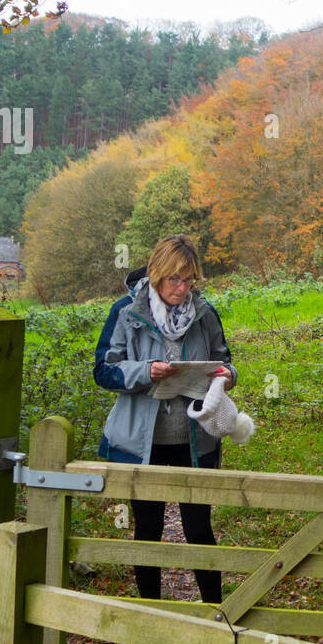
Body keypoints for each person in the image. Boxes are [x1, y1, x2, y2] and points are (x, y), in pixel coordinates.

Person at [93, 234, 237, 604]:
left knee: (199, 529)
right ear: (157, 274)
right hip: (144, 444)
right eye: (175, 279)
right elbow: (103, 370)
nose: (182, 287)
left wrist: (226, 376)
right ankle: (150, 616)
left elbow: (227, 362)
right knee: (148, 529)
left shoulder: (205, 313)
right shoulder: (126, 312)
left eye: (189, 279)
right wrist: (145, 371)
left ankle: (214, 614)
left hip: (196, 441)